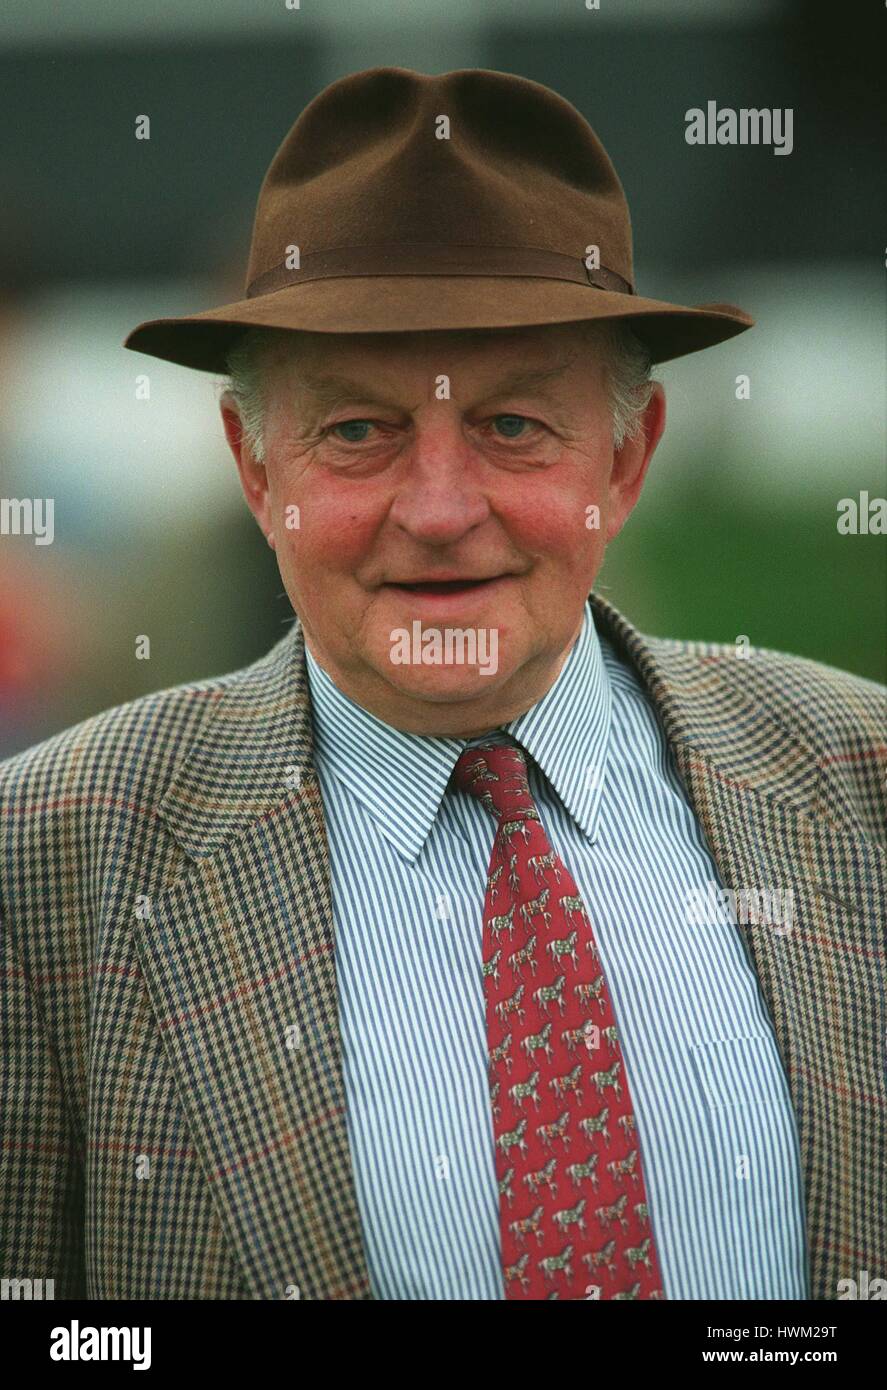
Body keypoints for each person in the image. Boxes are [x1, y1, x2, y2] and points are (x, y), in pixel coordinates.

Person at [1, 67, 883, 1302]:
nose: (436, 510)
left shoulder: (862, 785)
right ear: (255, 471)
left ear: (627, 459)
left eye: (513, 425)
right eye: (356, 432)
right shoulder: (47, 861)